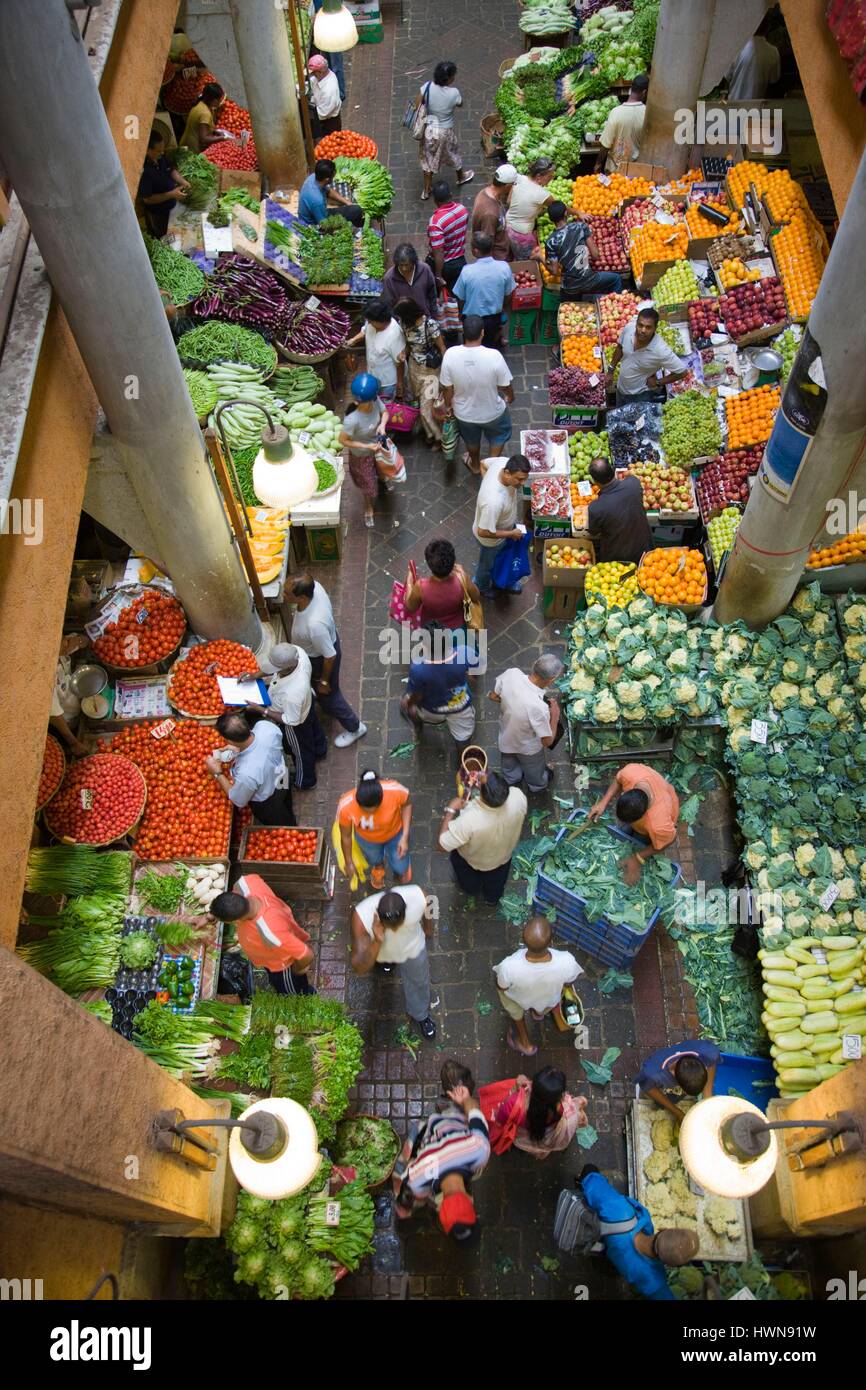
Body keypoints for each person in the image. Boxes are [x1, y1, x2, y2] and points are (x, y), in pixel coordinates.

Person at [395, 1060, 490, 1239]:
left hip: (443, 1126)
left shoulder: (480, 1150)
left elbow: (474, 1109)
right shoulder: (417, 1178)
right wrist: (465, 1101)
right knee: (405, 1161)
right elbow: (473, 1111)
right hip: (441, 1127)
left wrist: (465, 1099)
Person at [578, 1164, 699, 1299]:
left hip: (604, 1234)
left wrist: (589, 1174)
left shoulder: (622, 1212)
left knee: (590, 1169)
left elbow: (592, 1181)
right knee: (610, 1266)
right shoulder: (654, 1283)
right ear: (668, 1265)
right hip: (614, 1259)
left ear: (663, 1229)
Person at [288, 574, 367, 747]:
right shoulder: (315, 587)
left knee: (329, 696)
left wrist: (324, 680)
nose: (284, 595)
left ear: (301, 597)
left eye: (287, 594)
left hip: (321, 659)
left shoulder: (314, 625)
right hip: (320, 648)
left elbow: (329, 656)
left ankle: (355, 727)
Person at [350, 887, 437, 1039]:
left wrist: (429, 927)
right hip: (383, 952)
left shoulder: (417, 895)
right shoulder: (361, 917)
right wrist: (377, 940)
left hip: (412, 949)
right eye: (391, 927)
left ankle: (420, 1014)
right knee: (381, 960)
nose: (396, 929)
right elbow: (359, 968)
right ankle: (387, 963)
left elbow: (431, 902)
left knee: (419, 981)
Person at [241, 643, 325, 791]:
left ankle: (306, 781)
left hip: (295, 721)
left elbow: (290, 720)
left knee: (300, 752)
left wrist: (261, 710)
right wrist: (254, 676)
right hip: (306, 704)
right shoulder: (297, 653)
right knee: (313, 726)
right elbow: (271, 669)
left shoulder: (293, 693)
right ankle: (320, 749)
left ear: (287, 669)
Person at [494, 914, 581, 1055]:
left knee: (513, 1007)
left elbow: (502, 987)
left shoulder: (508, 966)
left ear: (523, 939)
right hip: (548, 998)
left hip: (519, 998)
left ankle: (526, 1044)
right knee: (544, 1004)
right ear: (551, 942)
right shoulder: (567, 960)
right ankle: (538, 1014)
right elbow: (569, 981)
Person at [210, 879, 315, 995]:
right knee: (275, 980)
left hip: (284, 967)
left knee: (292, 992)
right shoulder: (247, 883)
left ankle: (305, 995)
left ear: (235, 920)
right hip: (269, 959)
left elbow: (307, 955)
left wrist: (297, 970)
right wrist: (213, 915)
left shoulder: (270, 932)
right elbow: (230, 902)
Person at [438, 769, 527, 906]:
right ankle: (492, 900)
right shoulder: (518, 797)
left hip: (471, 861)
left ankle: (471, 890)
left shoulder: (469, 821)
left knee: (469, 883)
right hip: (503, 859)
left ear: (483, 796)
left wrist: (450, 810)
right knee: (495, 886)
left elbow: (441, 845)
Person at [440, 316, 514, 474]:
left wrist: (448, 406)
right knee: (499, 436)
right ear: (482, 332)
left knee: (471, 440)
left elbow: (447, 388)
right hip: (493, 412)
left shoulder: (450, 355)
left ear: (463, 332)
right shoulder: (494, 356)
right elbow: (505, 385)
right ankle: (491, 468)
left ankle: (474, 465)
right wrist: (510, 397)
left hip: (464, 414)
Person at [588, 762, 681, 884]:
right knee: (626, 837)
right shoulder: (631, 773)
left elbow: (669, 840)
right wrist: (603, 803)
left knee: (641, 840)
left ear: (642, 817)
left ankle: (640, 835)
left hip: (666, 806)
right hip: (658, 790)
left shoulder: (658, 824)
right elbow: (618, 780)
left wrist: (637, 858)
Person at [205, 711, 295, 825]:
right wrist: (239, 749)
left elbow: (238, 800)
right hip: (282, 774)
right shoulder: (266, 726)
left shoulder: (247, 773)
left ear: (230, 741)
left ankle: (290, 826)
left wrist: (217, 773)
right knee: (286, 800)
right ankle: (289, 813)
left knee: (279, 820)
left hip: (268, 798)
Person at [490, 654, 562, 792]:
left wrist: (513, 705)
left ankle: (512, 779)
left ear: (534, 664)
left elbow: (493, 696)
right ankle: (537, 785)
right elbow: (547, 742)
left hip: (506, 737)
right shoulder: (538, 707)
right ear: (551, 679)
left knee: (508, 763)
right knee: (534, 768)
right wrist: (555, 717)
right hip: (527, 748)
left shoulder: (512, 673)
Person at [401, 621, 477, 746]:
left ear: (425, 646)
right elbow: (475, 675)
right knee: (463, 739)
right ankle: (463, 761)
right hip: (461, 706)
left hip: (433, 711)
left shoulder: (418, 669)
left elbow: (417, 696)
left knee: (409, 707)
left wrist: (408, 703)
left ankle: (418, 727)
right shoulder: (465, 652)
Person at [337, 768, 413, 890]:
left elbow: (407, 805)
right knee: (374, 859)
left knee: (400, 865)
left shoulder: (395, 790)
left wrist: (404, 836)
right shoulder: (345, 806)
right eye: (366, 810)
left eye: (376, 809)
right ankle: (378, 868)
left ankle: (402, 868)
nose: (371, 813)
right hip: (367, 840)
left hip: (396, 835)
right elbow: (345, 837)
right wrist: (349, 862)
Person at [490, 1068, 588, 1158]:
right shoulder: (563, 1109)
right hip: (547, 1138)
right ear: (559, 1096)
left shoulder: (513, 1104)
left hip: (526, 1138)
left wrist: (516, 1088)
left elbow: (500, 1121)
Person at [533, 201, 622, 301]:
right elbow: (596, 255)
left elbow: (554, 271)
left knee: (567, 303)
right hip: (589, 280)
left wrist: (540, 257)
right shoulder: (581, 227)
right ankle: (615, 303)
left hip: (570, 287)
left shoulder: (551, 241)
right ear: (566, 213)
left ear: (550, 219)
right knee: (616, 279)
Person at [339, 371, 395, 527]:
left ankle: (384, 479)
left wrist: (382, 425)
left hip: (377, 446)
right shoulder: (352, 419)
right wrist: (365, 446)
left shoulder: (374, 400)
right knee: (368, 484)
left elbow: (384, 412)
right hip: (361, 455)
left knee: (382, 468)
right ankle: (368, 506)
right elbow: (343, 440)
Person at [391, 298, 446, 446]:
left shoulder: (430, 325)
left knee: (425, 409)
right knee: (419, 403)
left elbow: (442, 348)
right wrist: (404, 353)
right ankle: (430, 433)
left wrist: (447, 373)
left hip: (431, 371)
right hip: (414, 370)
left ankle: (440, 439)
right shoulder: (405, 324)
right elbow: (410, 345)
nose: (399, 319)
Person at [472, 454, 529, 594]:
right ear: (507, 473)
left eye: (524, 479)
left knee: (502, 558)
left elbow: (483, 463)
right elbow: (483, 531)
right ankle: (482, 586)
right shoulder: (493, 502)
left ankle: (503, 579)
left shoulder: (503, 462)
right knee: (486, 565)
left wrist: (485, 482)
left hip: (502, 530)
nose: (523, 483)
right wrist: (511, 534)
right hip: (490, 541)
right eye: (520, 479)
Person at [418, 61, 474, 201]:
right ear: (448, 78)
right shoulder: (454, 93)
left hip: (429, 130)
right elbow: (460, 103)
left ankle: (426, 190)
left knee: (428, 159)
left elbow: (416, 105)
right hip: (444, 132)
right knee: (451, 154)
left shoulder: (427, 87)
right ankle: (461, 177)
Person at [608, 306, 687, 405]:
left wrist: (658, 382)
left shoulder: (660, 350)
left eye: (648, 327)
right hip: (620, 389)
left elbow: (682, 372)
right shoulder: (629, 329)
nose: (643, 330)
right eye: (640, 325)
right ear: (636, 323)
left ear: (655, 328)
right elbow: (619, 347)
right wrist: (611, 370)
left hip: (640, 396)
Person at [452, 232, 515, 350]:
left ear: (475, 251)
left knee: (472, 348)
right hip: (494, 318)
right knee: (491, 345)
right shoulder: (504, 267)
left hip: (472, 320)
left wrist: (461, 314)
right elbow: (508, 294)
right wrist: (501, 307)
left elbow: (460, 298)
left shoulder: (467, 272)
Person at [586, 457, 653, 565]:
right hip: (644, 552)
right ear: (613, 470)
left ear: (595, 481)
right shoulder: (633, 483)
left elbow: (594, 531)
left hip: (616, 561)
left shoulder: (596, 508)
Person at [636, 1039, 721, 1123]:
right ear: (675, 1079)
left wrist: (707, 1098)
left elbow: (711, 1063)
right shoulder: (652, 1074)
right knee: (651, 1101)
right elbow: (649, 1090)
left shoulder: (708, 1052)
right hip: (651, 1083)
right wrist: (678, 1113)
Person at [404, 537, 480, 631]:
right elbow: (476, 596)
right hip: (458, 628)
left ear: (429, 564)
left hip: (432, 630)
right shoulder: (462, 579)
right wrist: (463, 573)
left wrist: (409, 581)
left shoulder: (421, 587)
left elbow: (410, 607)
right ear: (453, 561)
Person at [346, 301, 406, 402]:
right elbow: (364, 331)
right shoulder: (372, 321)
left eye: (370, 321)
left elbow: (400, 363)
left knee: (386, 405)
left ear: (381, 321)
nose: (368, 323)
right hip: (372, 373)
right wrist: (354, 340)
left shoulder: (395, 335)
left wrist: (400, 383)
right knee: (375, 401)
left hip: (388, 381)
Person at [138, 127, 190, 237]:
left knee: (173, 231)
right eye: (158, 151)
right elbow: (147, 199)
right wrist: (172, 194)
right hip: (158, 213)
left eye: (163, 149)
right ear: (148, 150)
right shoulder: (143, 170)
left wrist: (182, 181)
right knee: (163, 235)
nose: (162, 153)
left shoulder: (161, 156)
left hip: (170, 206)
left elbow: (171, 170)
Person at [594, 75, 649, 175]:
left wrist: (598, 164)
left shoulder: (616, 112)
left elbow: (606, 144)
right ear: (645, 92)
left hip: (615, 172)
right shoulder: (647, 113)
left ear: (631, 88)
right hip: (637, 172)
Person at [505, 158, 556, 258]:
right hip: (522, 236)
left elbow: (508, 201)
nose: (552, 178)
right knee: (527, 259)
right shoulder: (542, 194)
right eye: (549, 176)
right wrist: (578, 213)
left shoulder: (520, 178)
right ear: (538, 177)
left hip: (508, 227)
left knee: (514, 252)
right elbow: (559, 207)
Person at [726, 12, 781, 100]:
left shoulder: (736, 49)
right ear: (768, 27)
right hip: (757, 108)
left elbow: (727, 77)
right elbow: (773, 80)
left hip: (735, 106)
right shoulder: (773, 52)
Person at [50, 633, 89, 756]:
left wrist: (79, 641)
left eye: (65, 640)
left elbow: (85, 641)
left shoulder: (63, 649)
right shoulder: (47, 679)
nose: (67, 643)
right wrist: (74, 743)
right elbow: (55, 716)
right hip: (66, 724)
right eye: (64, 642)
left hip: (77, 706)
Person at [427, 181, 469, 292]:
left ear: (435, 201)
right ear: (451, 195)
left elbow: (439, 251)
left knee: (433, 293)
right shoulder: (463, 210)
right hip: (460, 261)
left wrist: (438, 276)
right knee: (457, 295)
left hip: (444, 265)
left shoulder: (436, 222)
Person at [471, 165, 517, 262]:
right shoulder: (490, 214)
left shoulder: (485, 192)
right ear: (508, 186)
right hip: (498, 258)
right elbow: (487, 243)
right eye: (514, 184)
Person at [298, 158, 363, 227]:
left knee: (351, 208)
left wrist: (347, 202)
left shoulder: (313, 177)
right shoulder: (317, 200)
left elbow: (328, 191)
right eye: (333, 176)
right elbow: (324, 224)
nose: (333, 178)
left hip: (316, 213)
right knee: (356, 210)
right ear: (327, 179)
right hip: (313, 223)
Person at [383, 244, 438, 320]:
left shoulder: (425, 269)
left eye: (406, 265)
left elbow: (432, 295)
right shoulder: (389, 278)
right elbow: (389, 304)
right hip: (403, 322)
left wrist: (434, 316)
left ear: (413, 262)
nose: (404, 268)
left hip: (424, 318)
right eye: (401, 265)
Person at [312, 0, 346, 100]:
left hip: (331, 19)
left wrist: (319, 14)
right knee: (328, 60)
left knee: (335, 61)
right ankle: (334, 91)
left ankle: (339, 94)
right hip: (323, 20)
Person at [179, 81, 228, 153]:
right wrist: (222, 138)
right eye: (219, 100)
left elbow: (199, 126)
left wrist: (214, 132)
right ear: (214, 101)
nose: (220, 102)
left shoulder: (200, 104)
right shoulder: (205, 113)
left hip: (185, 144)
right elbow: (204, 139)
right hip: (192, 150)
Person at [307, 55, 342, 138]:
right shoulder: (321, 76)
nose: (312, 74)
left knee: (330, 145)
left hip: (329, 123)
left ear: (320, 72)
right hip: (320, 114)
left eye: (313, 72)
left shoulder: (329, 90)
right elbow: (311, 82)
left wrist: (307, 115)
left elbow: (322, 114)